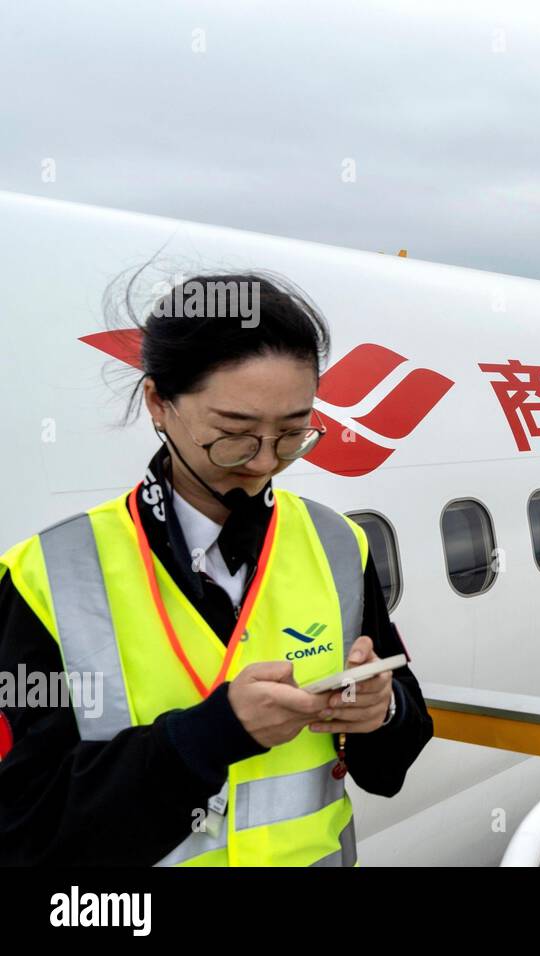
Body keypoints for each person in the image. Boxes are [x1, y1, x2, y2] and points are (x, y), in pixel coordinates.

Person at [0, 271, 432, 865]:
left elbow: (389, 764)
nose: (262, 464)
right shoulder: (47, 575)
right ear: (159, 402)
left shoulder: (337, 543)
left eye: (291, 435)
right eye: (233, 435)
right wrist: (208, 735)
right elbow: (23, 824)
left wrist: (383, 712)